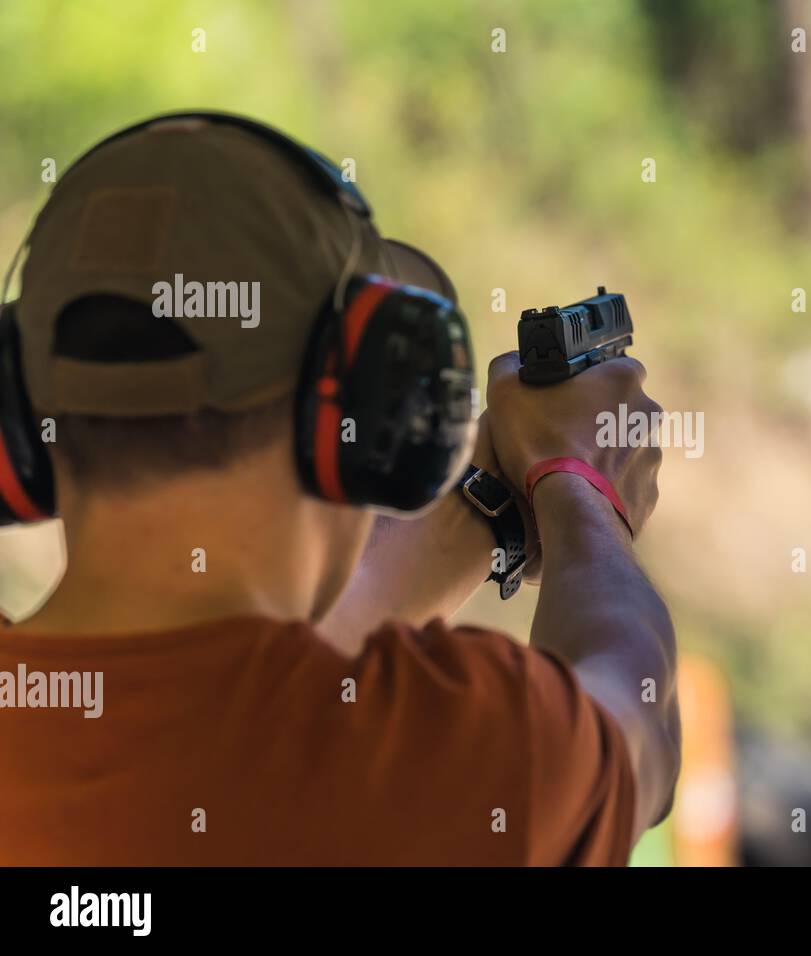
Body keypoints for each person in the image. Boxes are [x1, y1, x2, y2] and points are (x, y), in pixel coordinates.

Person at [0, 114, 679, 865]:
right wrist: (581, 484)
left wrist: (495, 501)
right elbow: (637, 737)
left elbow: (223, 696)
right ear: (362, 408)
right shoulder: (443, 751)